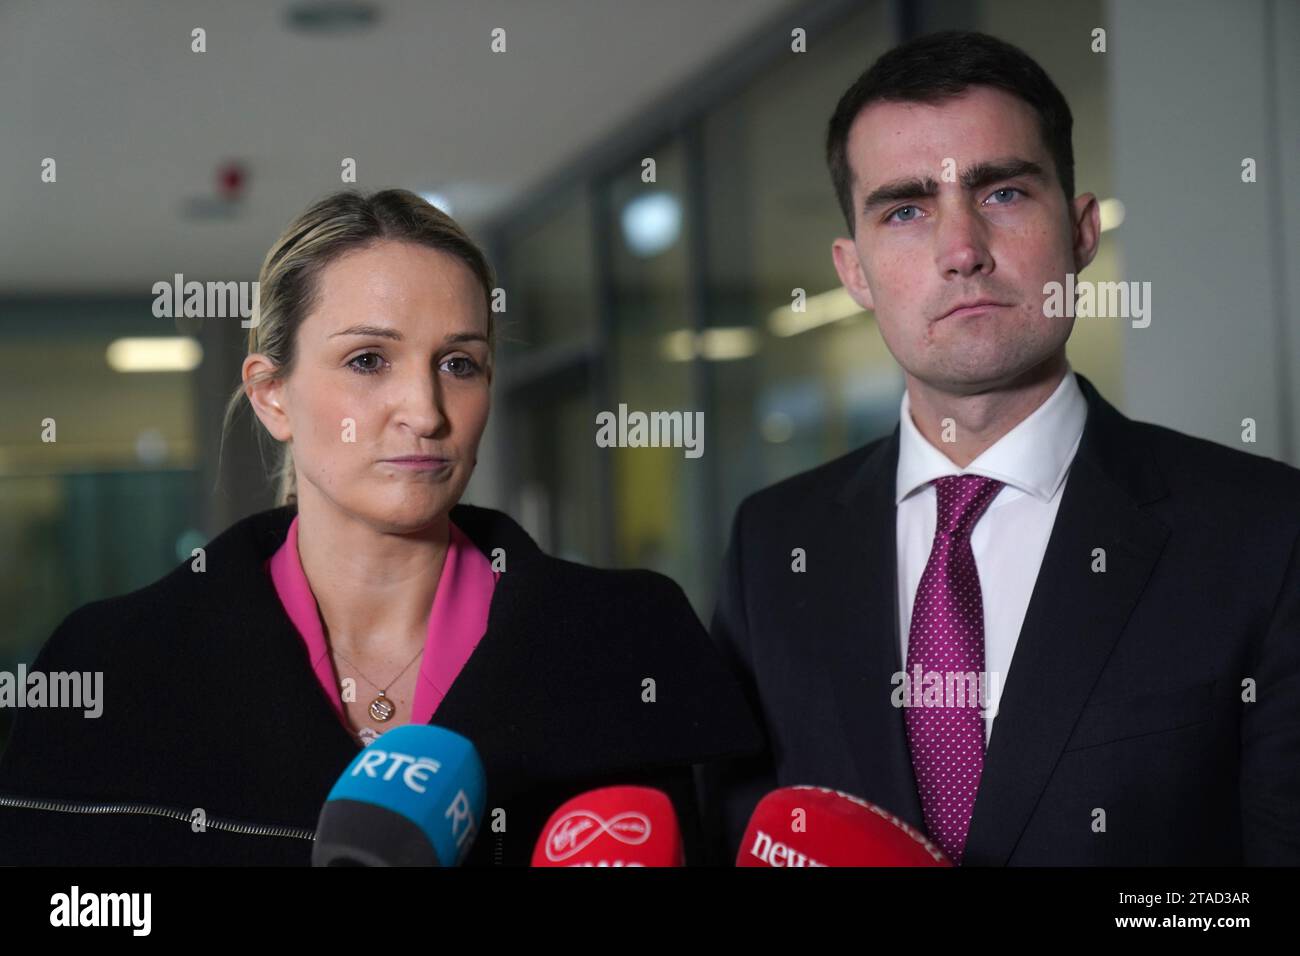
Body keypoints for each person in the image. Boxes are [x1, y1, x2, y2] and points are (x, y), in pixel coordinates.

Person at [0, 188, 761, 866]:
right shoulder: (115, 666)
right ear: (271, 395)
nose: (426, 412)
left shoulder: (629, 639)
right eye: (368, 360)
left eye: (459, 364)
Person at [698, 30, 1300, 866]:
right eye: (905, 210)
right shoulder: (773, 545)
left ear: (1082, 230)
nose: (961, 250)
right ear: (855, 271)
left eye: (1005, 193)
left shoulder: (1265, 532)